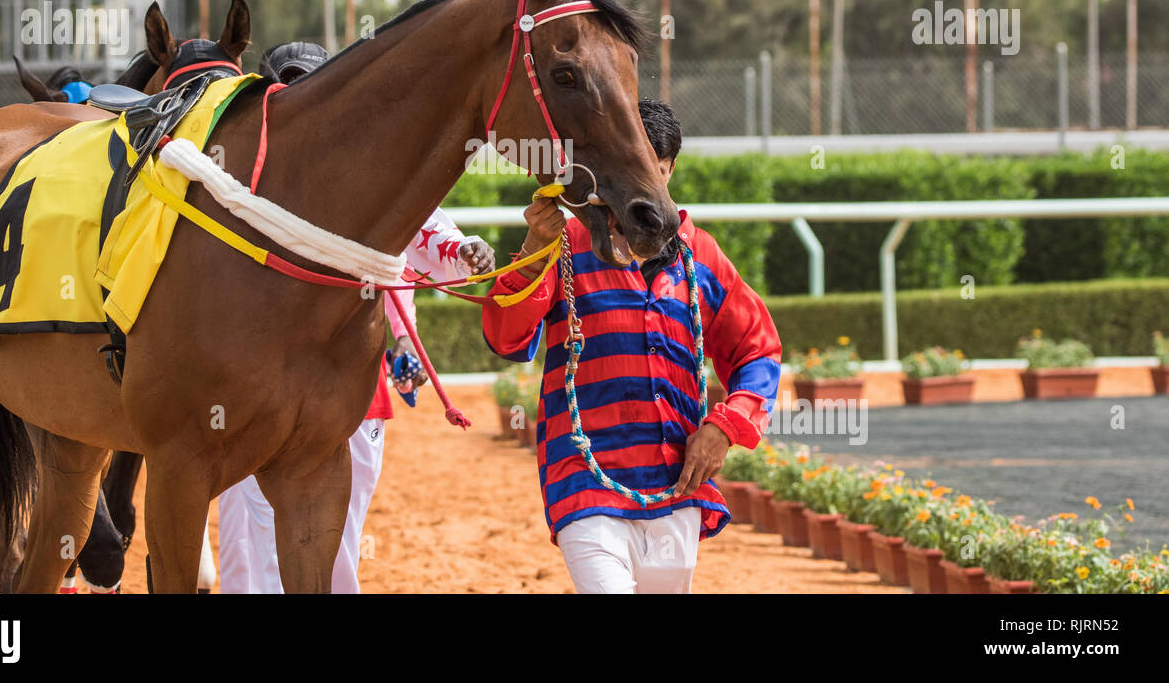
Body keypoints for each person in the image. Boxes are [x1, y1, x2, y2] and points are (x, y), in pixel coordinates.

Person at [217, 43, 496, 593]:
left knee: (334, 547)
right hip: (253, 391)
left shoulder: (377, 175)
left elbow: (426, 232)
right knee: (250, 547)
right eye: (291, 88)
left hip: (350, 394)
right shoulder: (236, 181)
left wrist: (463, 252)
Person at [481, 98, 782, 594]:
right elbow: (505, 338)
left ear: (670, 168)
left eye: (655, 170)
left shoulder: (702, 256)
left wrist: (725, 429)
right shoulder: (562, 245)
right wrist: (535, 250)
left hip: (675, 485)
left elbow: (758, 349)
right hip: (583, 482)